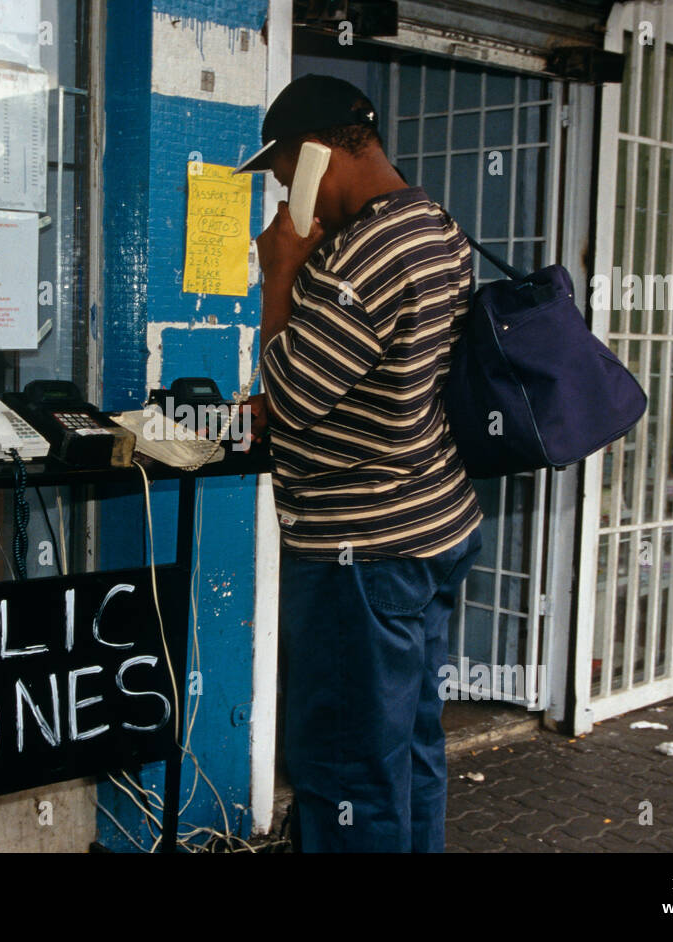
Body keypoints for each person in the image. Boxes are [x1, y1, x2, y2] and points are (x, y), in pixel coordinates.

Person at [236, 74, 484, 853]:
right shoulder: (433, 224)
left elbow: (288, 396)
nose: (285, 199)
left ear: (315, 157)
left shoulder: (368, 251)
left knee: (346, 769)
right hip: (425, 523)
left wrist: (280, 271)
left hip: (361, 550)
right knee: (406, 748)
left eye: (284, 178)